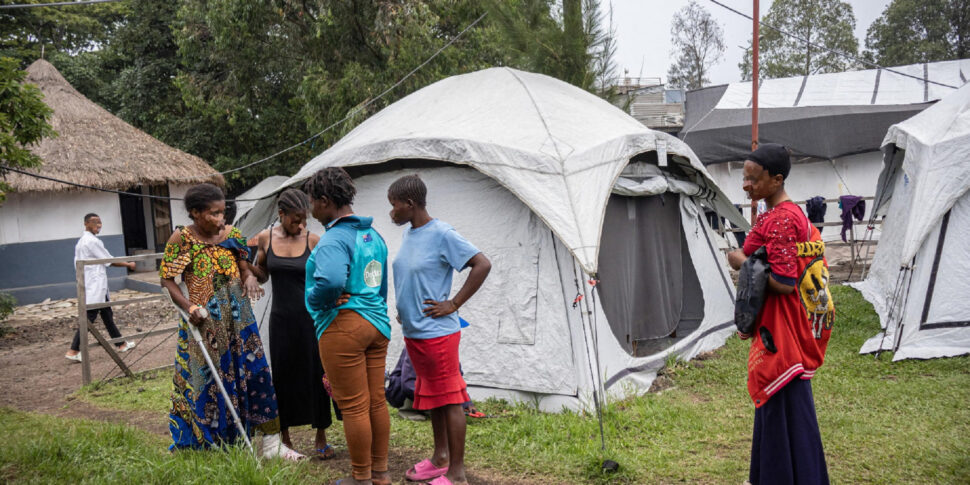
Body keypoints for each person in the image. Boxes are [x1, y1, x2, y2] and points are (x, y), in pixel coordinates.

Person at [159, 183, 303, 460]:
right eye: (213, 213)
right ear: (195, 213)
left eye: (223, 212)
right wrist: (189, 307)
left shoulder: (233, 235)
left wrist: (248, 277)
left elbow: (244, 268)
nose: (220, 219)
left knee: (255, 373)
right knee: (208, 381)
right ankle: (211, 444)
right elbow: (167, 279)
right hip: (205, 324)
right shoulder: (182, 239)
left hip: (240, 321)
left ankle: (271, 445)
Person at [726, 144, 834, 485]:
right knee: (790, 411)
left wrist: (740, 261)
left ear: (776, 180)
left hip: (782, 330)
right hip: (787, 326)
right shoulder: (784, 214)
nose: (746, 185)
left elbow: (784, 284)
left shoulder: (782, 219)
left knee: (781, 406)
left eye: (754, 179)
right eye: (745, 178)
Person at [387, 174, 491, 485]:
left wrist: (454, 303)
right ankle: (440, 458)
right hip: (416, 334)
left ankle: (457, 474)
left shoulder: (442, 233)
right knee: (433, 397)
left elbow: (482, 264)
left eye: (394, 205)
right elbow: (415, 277)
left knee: (450, 400)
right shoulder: (410, 233)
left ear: (410, 203)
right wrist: (405, 308)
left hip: (438, 335)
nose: (391, 212)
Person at [304, 167, 392, 485]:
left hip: (344, 327)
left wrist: (317, 299)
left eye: (312, 202)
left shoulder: (334, 239)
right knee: (376, 401)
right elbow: (380, 284)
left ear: (325, 201)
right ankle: (380, 474)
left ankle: (361, 478)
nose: (311, 209)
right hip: (376, 324)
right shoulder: (373, 235)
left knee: (354, 406)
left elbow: (329, 281)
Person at [249, 188, 339, 460]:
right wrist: (248, 272)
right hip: (281, 319)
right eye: (295, 219)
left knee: (316, 373)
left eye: (304, 220)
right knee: (283, 375)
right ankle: (285, 437)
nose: (300, 225)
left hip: (310, 319)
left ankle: (321, 435)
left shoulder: (313, 240)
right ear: (281, 214)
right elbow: (263, 274)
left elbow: (327, 278)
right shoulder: (265, 238)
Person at [65, 213, 136, 362]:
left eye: (100, 222)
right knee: (89, 317)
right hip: (95, 285)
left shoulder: (82, 241)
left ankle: (121, 344)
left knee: (107, 315)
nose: (99, 225)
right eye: (95, 222)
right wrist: (128, 264)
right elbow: (109, 261)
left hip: (93, 284)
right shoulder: (92, 242)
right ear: (86, 224)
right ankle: (73, 350)